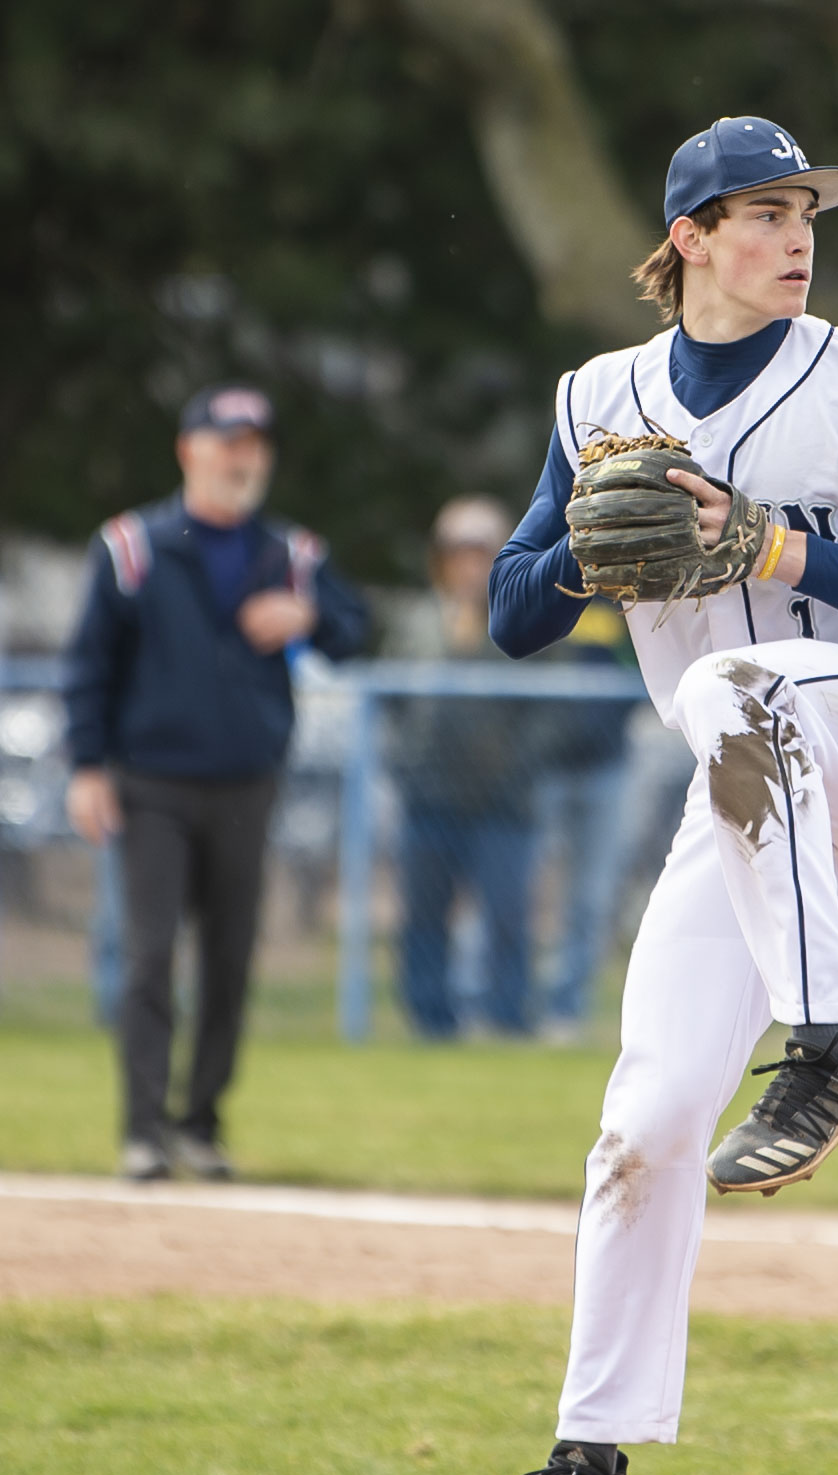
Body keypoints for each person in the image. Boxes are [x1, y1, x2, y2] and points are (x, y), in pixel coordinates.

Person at [483, 117, 838, 1475]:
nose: (796, 238)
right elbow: (509, 613)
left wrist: (774, 546)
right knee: (646, 1117)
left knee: (731, 677)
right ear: (691, 240)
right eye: (764, 214)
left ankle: (832, 1051)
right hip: (751, 797)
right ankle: (589, 1449)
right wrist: (580, 558)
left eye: (807, 214)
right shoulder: (600, 399)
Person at [63, 384, 370, 1181]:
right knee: (148, 956)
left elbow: (355, 629)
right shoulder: (131, 546)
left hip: (245, 782)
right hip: (150, 782)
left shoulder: (292, 555)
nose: (244, 458)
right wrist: (86, 766)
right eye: (228, 441)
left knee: (230, 962)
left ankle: (200, 1124)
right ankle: (142, 1130)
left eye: (255, 444)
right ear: (189, 449)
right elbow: (90, 665)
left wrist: (306, 618)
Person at [391, 497, 538, 1040]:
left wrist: (523, 759)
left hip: (504, 799)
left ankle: (507, 1018)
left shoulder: (523, 614)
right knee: (424, 914)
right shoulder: (416, 620)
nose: (468, 565)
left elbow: (553, 710)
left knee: (507, 914)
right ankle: (430, 1020)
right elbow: (394, 702)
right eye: (458, 553)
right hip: (427, 795)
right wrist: (404, 761)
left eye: (481, 553)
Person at [532, 595, 637, 1043]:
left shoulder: (628, 600)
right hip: (541, 767)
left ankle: (565, 1009)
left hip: (606, 766)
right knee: (520, 889)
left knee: (589, 898)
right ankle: (502, 1000)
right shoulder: (546, 586)